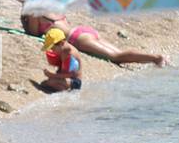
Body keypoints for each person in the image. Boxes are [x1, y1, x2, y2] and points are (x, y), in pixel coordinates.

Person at [23, 12, 166, 67]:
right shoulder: (52, 8)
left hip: (76, 38)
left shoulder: (34, 14)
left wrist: (25, 18)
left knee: (116, 57)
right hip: (83, 30)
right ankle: (154, 59)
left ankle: (155, 58)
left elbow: (33, 33)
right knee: (119, 53)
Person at [40, 28, 82, 92]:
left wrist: (51, 75)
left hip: (75, 82)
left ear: (62, 43)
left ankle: (67, 90)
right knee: (47, 82)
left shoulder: (67, 52)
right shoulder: (64, 48)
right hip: (68, 77)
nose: (52, 50)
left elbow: (71, 74)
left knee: (48, 83)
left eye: (53, 48)